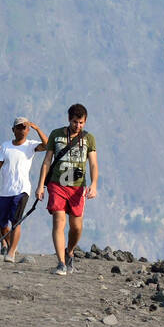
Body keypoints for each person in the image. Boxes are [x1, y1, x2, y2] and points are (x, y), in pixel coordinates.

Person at [37, 103, 97, 276]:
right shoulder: (56, 135)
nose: (77, 126)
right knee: (59, 220)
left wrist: (94, 184)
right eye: (75, 122)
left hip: (78, 187)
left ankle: (69, 251)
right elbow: (47, 161)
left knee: (76, 227)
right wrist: (41, 185)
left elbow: (93, 163)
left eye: (81, 123)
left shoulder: (89, 139)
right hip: (57, 185)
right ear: (69, 119)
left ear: (85, 122)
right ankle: (61, 263)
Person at [0, 117, 49, 263]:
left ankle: (12, 252)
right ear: (13, 130)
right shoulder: (6, 146)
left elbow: (47, 145)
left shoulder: (31, 145)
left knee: (16, 221)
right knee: (1, 223)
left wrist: (37, 129)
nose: (22, 129)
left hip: (22, 190)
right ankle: (9, 246)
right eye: (19, 127)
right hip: (6, 191)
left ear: (28, 130)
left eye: (24, 127)